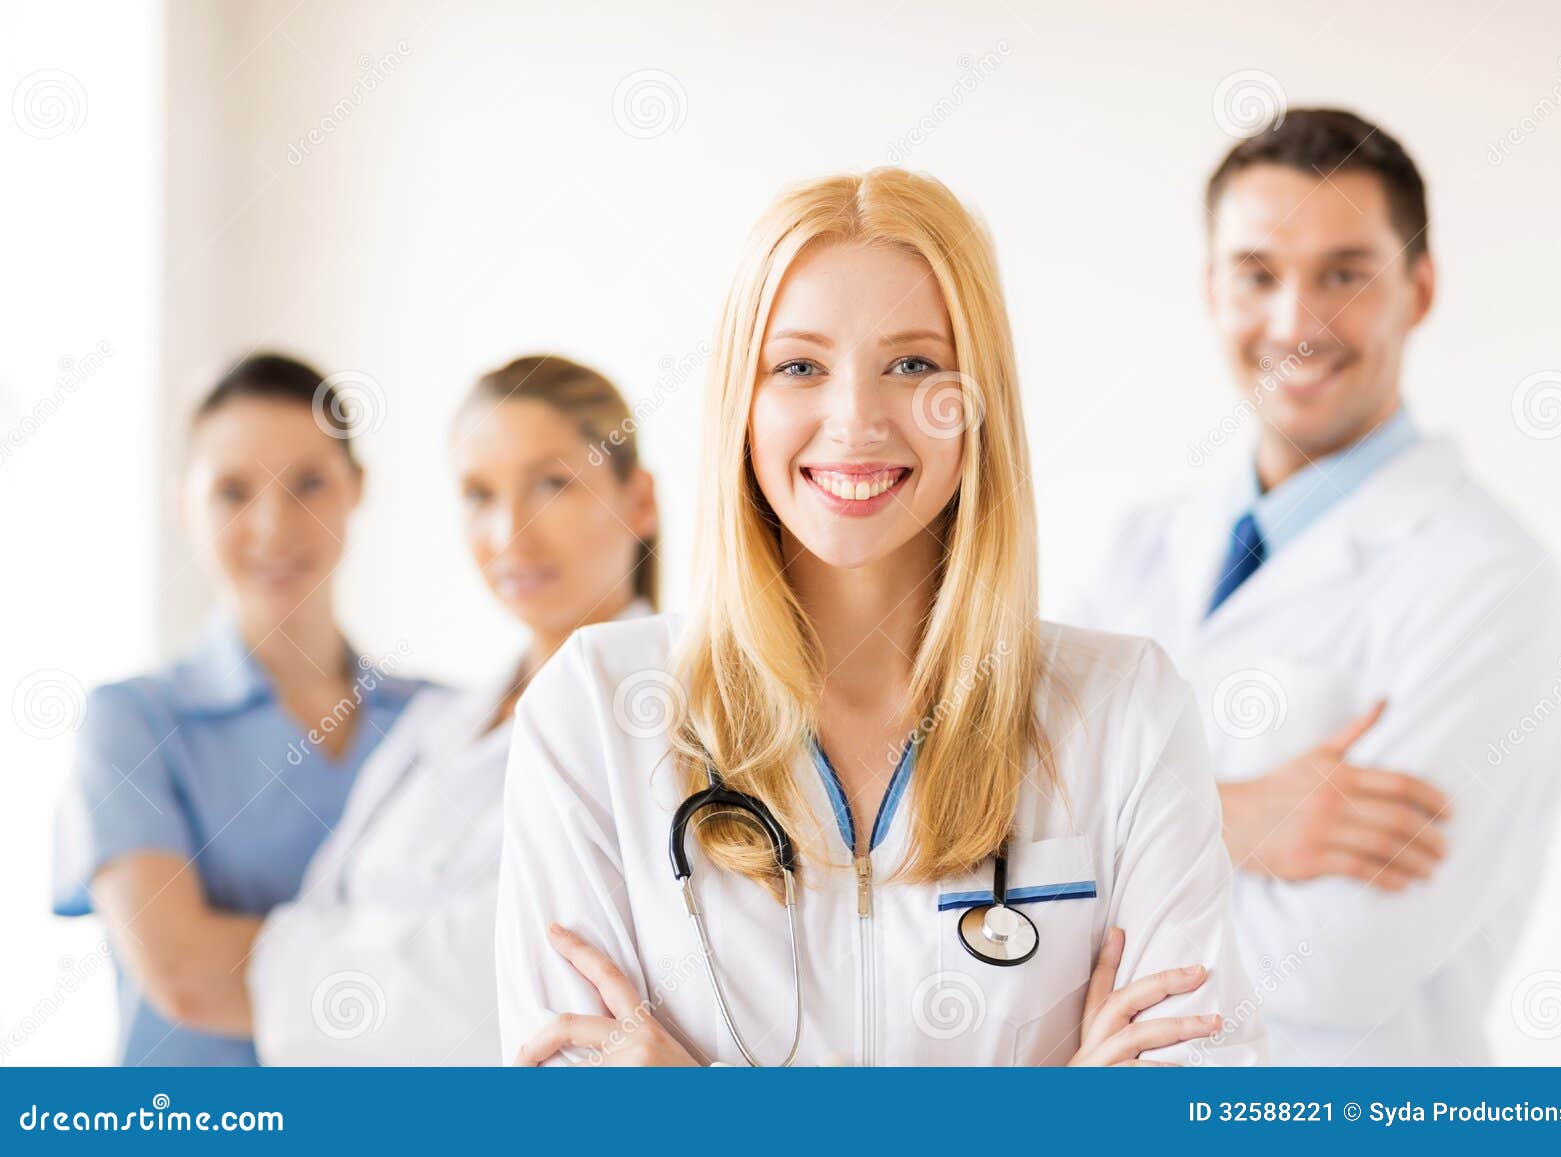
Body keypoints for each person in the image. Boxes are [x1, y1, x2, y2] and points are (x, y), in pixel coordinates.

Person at [495, 168, 1266, 1067]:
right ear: (741, 404)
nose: (855, 419)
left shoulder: (1125, 707)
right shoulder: (592, 710)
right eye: (799, 366)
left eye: (912, 364)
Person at [1068, 109, 1561, 1064]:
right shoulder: (1138, 546)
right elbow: (986, 835)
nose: (1297, 322)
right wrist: (1234, 814)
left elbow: (1328, 968)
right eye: (1258, 274)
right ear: (1212, 289)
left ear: (1418, 291)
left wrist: (1094, 861)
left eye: (1346, 274)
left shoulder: (1490, 583)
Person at [244, 355, 659, 1063]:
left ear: (639, 500)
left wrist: (344, 961)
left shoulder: (665, 731)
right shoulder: (433, 723)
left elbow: (495, 998)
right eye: (478, 493)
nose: (509, 535)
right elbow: (285, 950)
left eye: (552, 483)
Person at [52, 353, 431, 1065]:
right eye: (232, 491)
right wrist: (429, 974)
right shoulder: (131, 723)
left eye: (309, 483)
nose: (272, 526)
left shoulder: (441, 723)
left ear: (358, 488)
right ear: (183, 507)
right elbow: (185, 976)